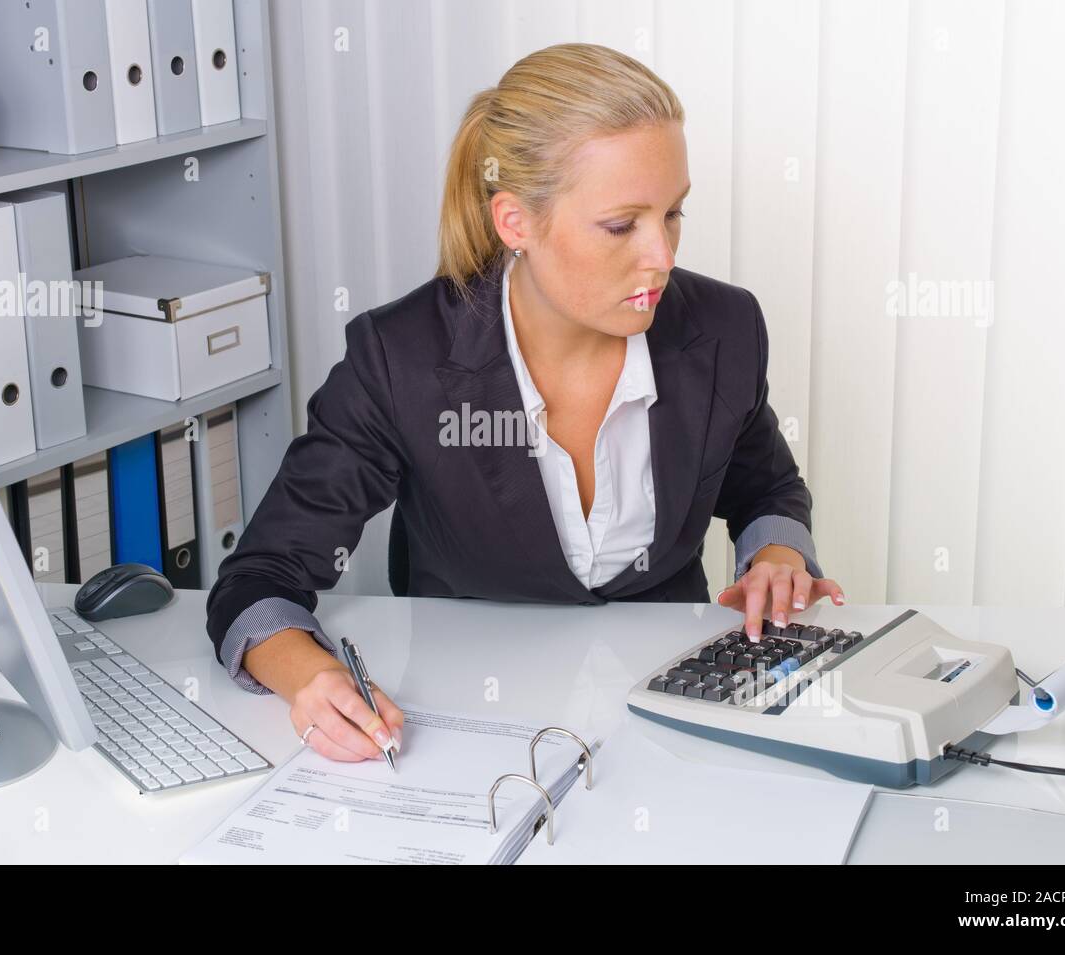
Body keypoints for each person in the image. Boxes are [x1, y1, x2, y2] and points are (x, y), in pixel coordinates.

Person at [205, 43, 845, 764]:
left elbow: (766, 486)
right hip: (467, 729)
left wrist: (777, 557)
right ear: (516, 223)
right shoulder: (401, 359)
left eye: (673, 213)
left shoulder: (722, 327)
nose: (662, 255)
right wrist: (313, 678)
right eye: (621, 224)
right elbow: (260, 578)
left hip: (673, 718)